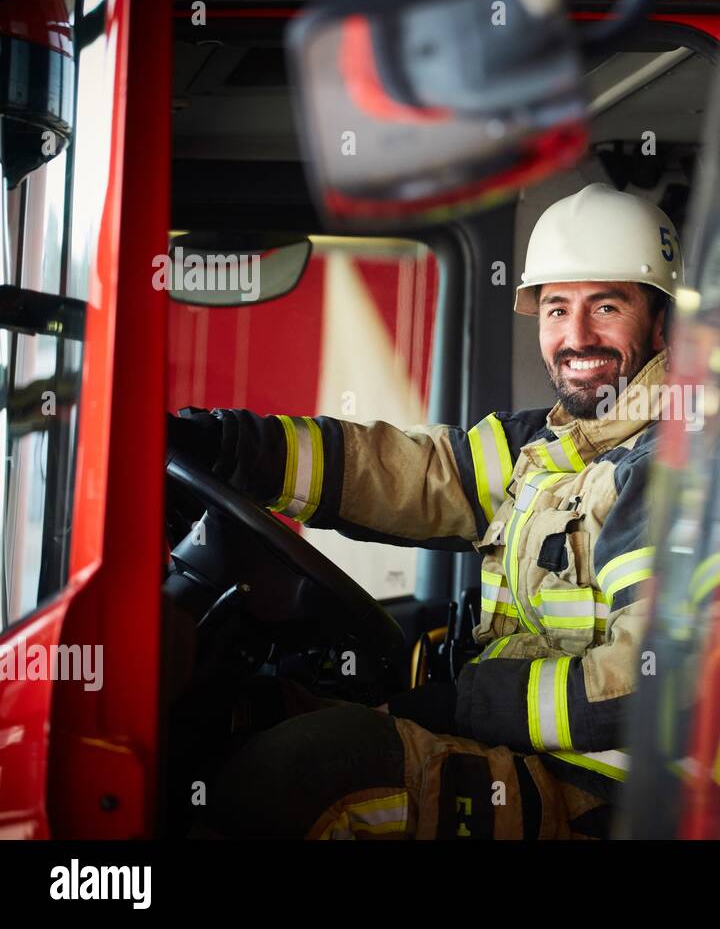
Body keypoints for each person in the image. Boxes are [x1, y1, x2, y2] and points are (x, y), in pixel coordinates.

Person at [171, 182, 681, 838]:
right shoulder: (550, 446)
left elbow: (648, 683)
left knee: (308, 771)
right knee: (256, 711)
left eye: (606, 307)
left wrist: (462, 706)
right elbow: (413, 474)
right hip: (537, 759)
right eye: (556, 309)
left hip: (607, 798)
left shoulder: (671, 470)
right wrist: (236, 446)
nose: (575, 336)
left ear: (662, 324)